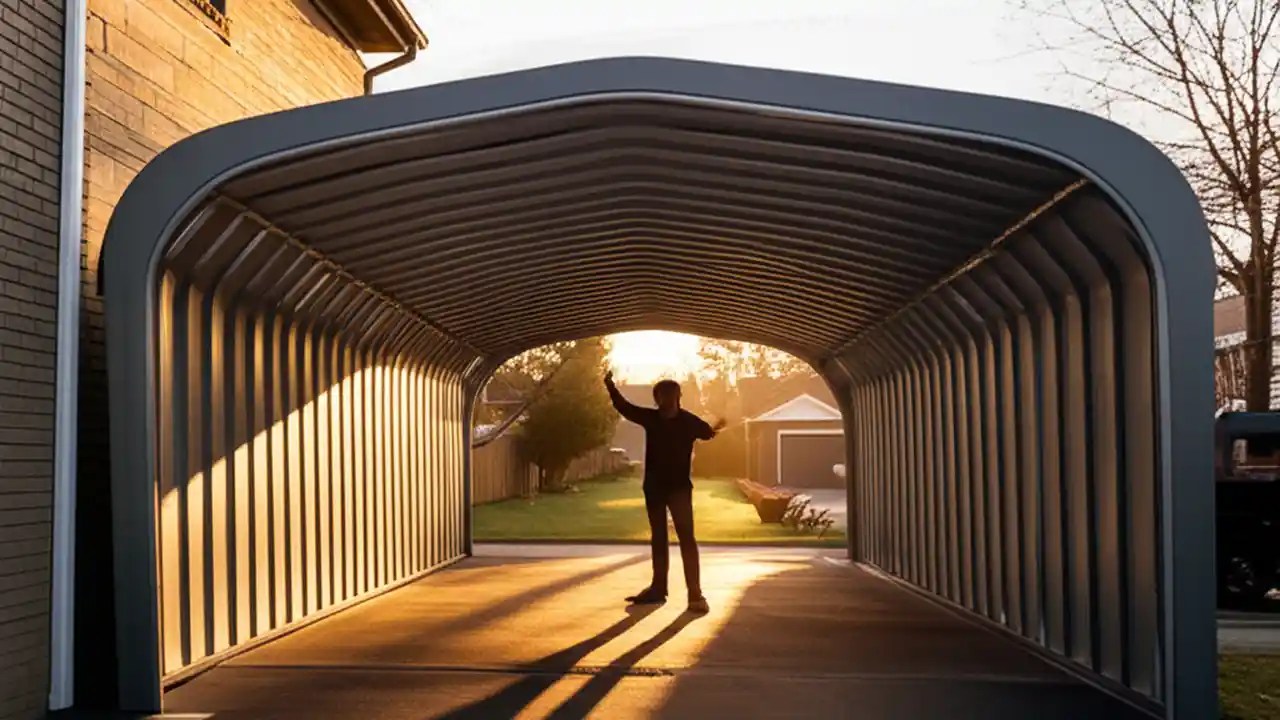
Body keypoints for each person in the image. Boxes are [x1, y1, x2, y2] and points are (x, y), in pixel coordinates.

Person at [604, 370, 725, 614]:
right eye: (661, 396)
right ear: (657, 399)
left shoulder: (687, 422)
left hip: (677, 489)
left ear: (677, 397)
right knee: (660, 538)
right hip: (656, 489)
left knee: (685, 538)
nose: (665, 400)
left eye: (668, 395)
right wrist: (610, 386)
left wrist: (715, 428)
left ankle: (694, 593)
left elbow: (708, 433)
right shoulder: (658, 419)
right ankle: (661, 590)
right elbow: (624, 407)